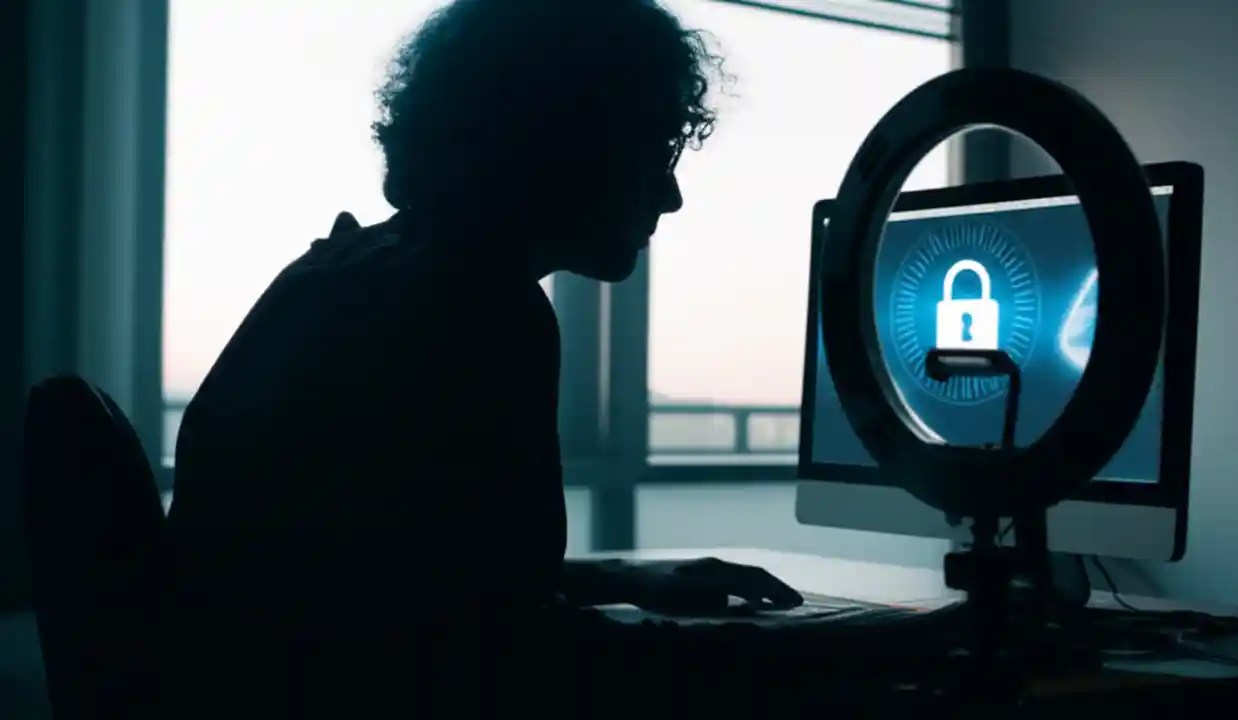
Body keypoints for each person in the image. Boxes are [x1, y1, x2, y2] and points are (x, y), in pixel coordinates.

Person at [167, 0, 808, 708]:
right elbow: (500, 654)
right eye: (652, 153)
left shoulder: (346, 272)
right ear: (569, 145)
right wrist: (810, 652)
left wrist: (622, 579)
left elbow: (407, 581)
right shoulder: (476, 307)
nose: (671, 195)